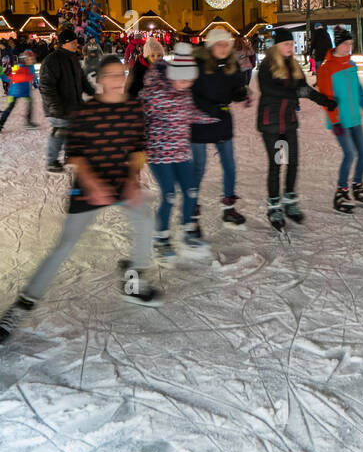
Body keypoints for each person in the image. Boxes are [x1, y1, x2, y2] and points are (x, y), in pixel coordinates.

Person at [1, 56, 160, 342]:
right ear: (98, 80)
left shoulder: (134, 109)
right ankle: (22, 305)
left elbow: (138, 149)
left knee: (145, 220)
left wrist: (131, 181)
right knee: (64, 246)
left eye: (119, 74)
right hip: (88, 189)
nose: (115, 80)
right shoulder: (86, 113)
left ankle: (133, 281)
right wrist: (93, 184)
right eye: (109, 76)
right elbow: (74, 156)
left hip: (121, 183)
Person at [256, 27, 336, 230]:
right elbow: (270, 90)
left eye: (291, 44)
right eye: (286, 44)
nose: (290, 47)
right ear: (276, 47)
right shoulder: (267, 66)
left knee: (292, 163)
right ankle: (274, 206)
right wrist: (295, 93)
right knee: (276, 166)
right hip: (272, 126)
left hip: (288, 123)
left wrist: (324, 100)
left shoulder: (293, 66)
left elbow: (305, 89)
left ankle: (290, 203)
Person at [141, 43, 213, 261]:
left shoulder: (184, 94)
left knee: (191, 191)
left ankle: (188, 230)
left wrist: (214, 119)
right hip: (159, 155)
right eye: (184, 80)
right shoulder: (154, 95)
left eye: (190, 81)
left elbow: (191, 114)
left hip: (181, 153)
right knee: (170, 195)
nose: (187, 84)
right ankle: (161, 239)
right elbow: (138, 116)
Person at [190, 28, 249, 228]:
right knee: (198, 167)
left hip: (222, 121)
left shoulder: (231, 66)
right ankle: (192, 210)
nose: (223, 48)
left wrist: (242, 94)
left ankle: (228, 208)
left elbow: (235, 90)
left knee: (229, 165)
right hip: (198, 122)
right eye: (219, 44)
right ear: (210, 46)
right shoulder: (197, 65)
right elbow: (191, 95)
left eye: (226, 44)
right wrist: (211, 109)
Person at [315, 28, 363, 213]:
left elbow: (359, 90)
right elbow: (326, 98)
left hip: (354, 118)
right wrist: (334, 121)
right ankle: (341, 191)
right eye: (346, 44)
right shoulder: (326, 68)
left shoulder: (350, 64)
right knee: (350, 154)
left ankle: (357, 186)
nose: (350, 47)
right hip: (340, 120)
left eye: (351, 44)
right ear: (337, 45)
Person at [39, 25, 89, 172]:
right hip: (58, 105)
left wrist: (91, 90)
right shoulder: (51, 60)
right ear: (64, 43)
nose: (76, 44)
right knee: (60, 131)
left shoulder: (73, 58)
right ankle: (51, 161)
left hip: (73, 104)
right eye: (73, 42)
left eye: (76, 42)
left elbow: (81, 78)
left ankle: (71, 154)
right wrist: (54, 106)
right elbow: (46, 86)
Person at [0, 50, 38, 132]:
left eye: (32, 59)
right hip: (15, 92)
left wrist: (35, 82)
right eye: (28, 60)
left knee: (30, 104)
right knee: (10, 108)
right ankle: (1, 123)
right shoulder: (18, 66)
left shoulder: (30, 67)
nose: (30, 61)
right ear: (23, 60)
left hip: (24, 91)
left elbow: (33, 76)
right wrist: (27, 77)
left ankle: (28, 122)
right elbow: (13, 76)